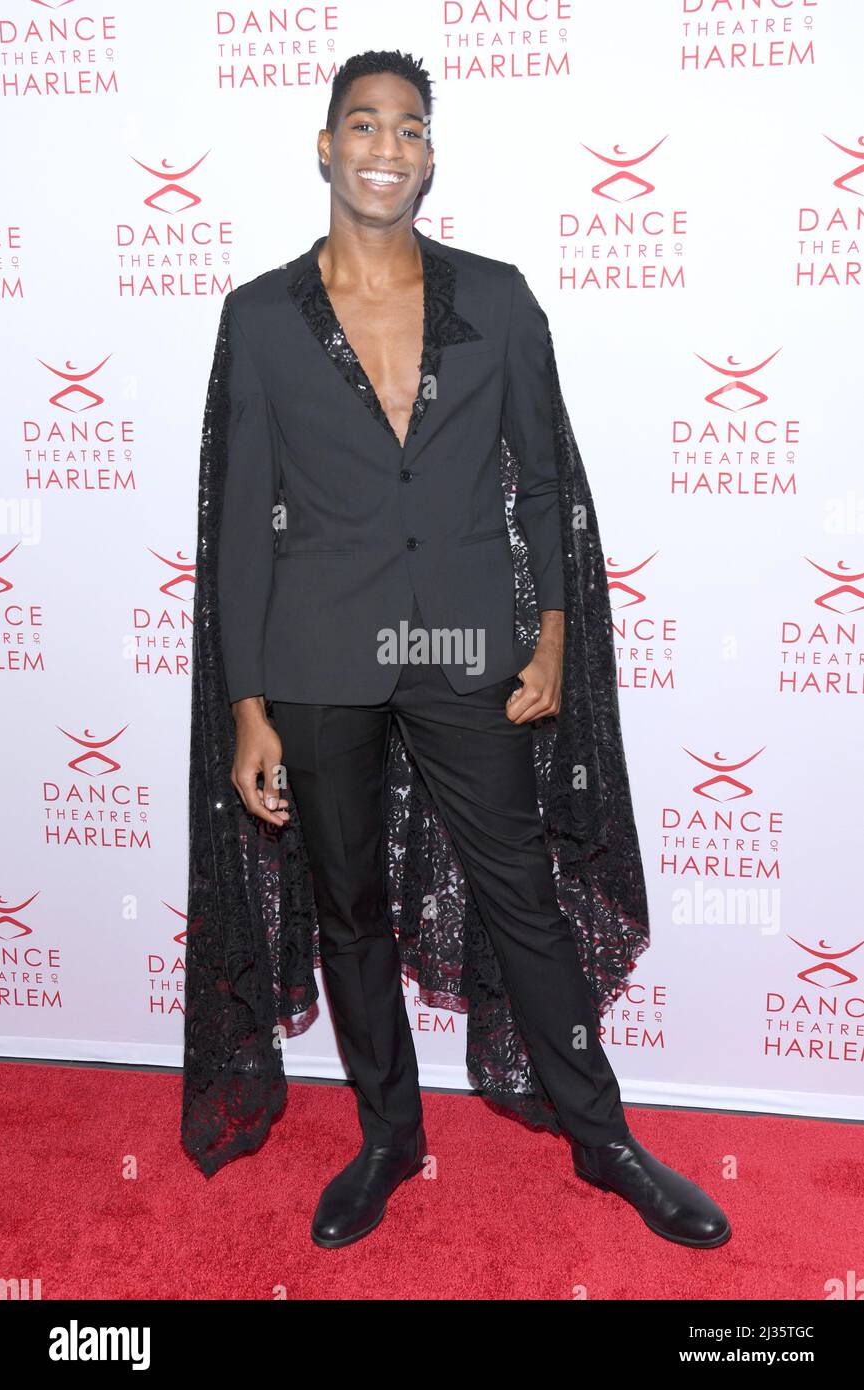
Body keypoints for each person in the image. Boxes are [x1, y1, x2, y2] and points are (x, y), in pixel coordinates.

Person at [182, 48, 731, 1252]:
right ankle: (389, 1136)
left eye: (411, 128)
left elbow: (546, 484)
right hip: (319, 654)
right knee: (350, 908)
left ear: (431, 156)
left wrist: (549, 639)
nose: (387, 146)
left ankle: (604, 1137)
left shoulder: (498, 297)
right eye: (363, 124)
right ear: (325, 148)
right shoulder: (259, 320)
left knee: (521, 898)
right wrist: (247, 707)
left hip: (464, 640)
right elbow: (237, 527)